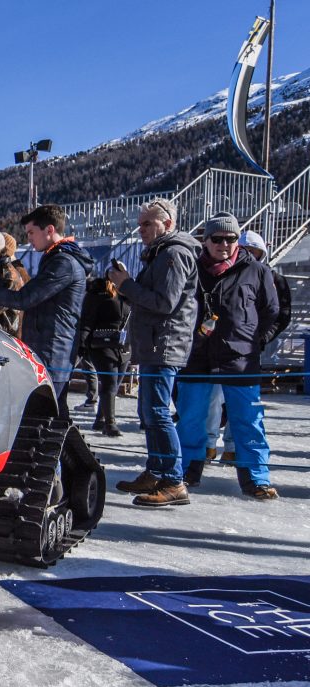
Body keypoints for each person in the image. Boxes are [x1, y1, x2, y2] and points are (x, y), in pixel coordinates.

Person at [174, 212, 279, 499]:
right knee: (191, 419)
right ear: (205, 241)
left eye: (231, 238)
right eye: (217, 239)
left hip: (241, 360)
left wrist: (256, 341)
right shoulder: (192, 269)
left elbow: (271, 312)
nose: (224, 244)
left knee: (248, 421)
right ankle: (186, 472)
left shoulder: (256, 270)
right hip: (198, 357)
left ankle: (256, 479)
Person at [107, 198, 200, 506]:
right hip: (154, 344)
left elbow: (164, 302)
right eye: (140, 222)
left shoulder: (173, 254)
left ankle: (173, 479)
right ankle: (157, 469)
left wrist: (126, 285)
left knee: (158, 412)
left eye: (147, 223)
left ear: (167, 224)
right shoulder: (160, 254)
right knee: (149, 412)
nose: (141, 229)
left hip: (164, 344)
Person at [0, 205, 93, 413]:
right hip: (48, 346)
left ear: (49, 230)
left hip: (53, 350)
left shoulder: (63, 263)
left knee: (50, 414)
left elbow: (25, 298)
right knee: (49, 414)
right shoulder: (56, 259)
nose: (29, 239)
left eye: (31, 232)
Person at [77, 274, 129, 437]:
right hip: (102, 344)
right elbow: (86, 320)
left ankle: (100, 419)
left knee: (113, 385)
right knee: (109, 384)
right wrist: (82, 344)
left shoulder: (127, 294)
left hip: (123, 346)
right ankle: (110, 424)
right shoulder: (97, 294)